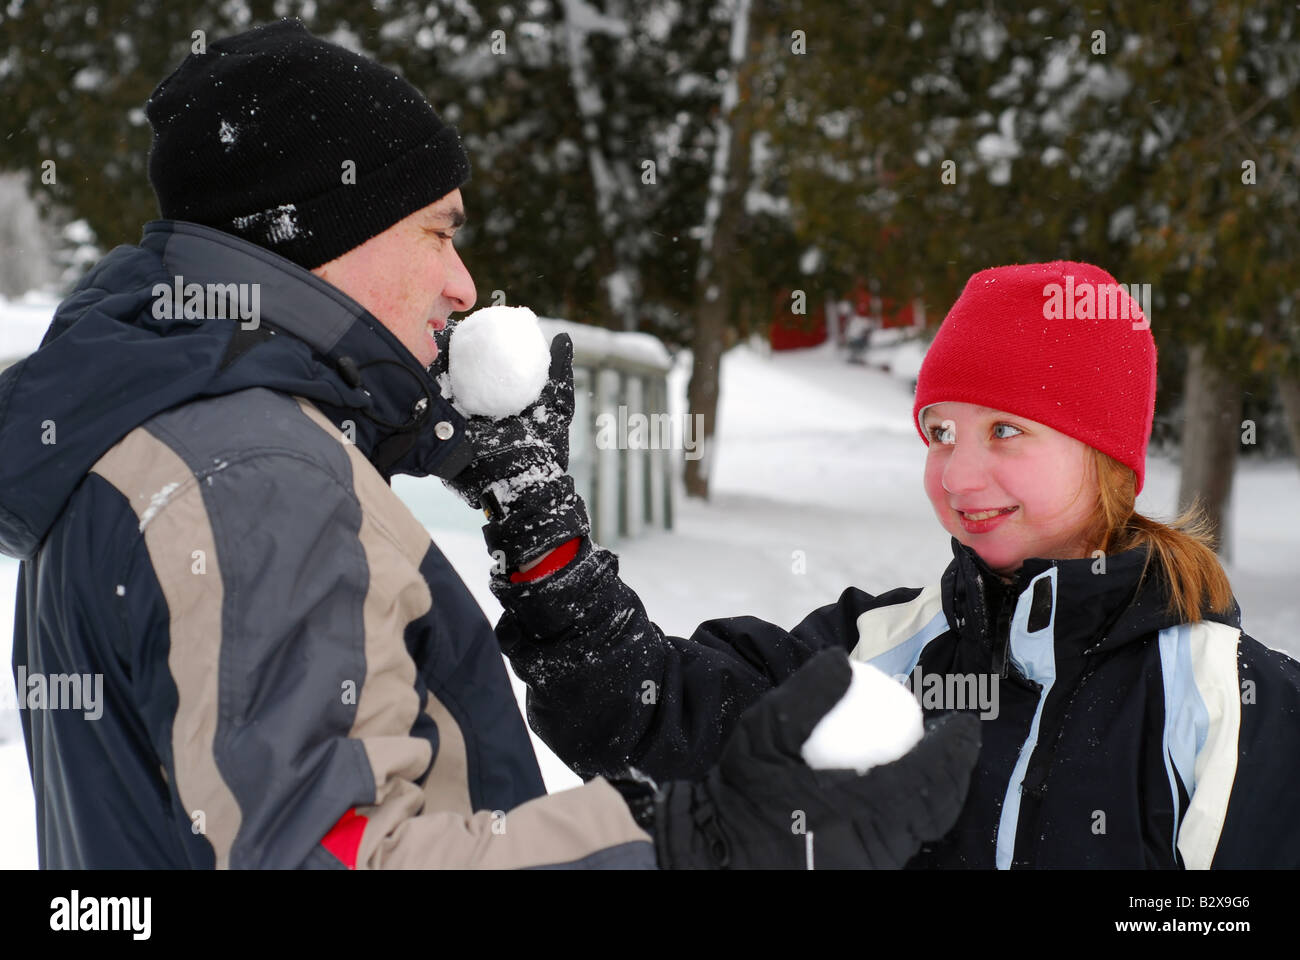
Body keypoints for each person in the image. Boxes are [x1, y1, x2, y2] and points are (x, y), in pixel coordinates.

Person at [0, 19, 980, 870]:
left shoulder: (158, 432)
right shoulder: (260, 474)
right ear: (323, 232)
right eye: (439, 231)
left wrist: (531, 527)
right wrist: (692, 846)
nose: (465, 285)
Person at [446, 259, 1300, 868]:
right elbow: (647, 712)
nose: (959, 476)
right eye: (940, 433)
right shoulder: (879, 650)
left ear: (1107, 456)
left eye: (1006, 430)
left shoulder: (1227, 702)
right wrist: (545, 544)